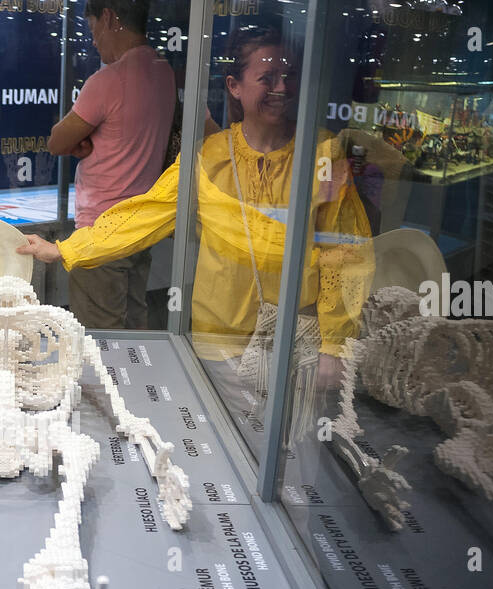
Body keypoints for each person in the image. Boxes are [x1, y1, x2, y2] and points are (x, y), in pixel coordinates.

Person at [20, 24, 374, 403]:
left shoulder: (322, 153)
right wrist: (66, 250)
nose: (281, 88)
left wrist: (335, 344)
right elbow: (144, 214)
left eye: (288, 76)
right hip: (219, 345)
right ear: (235, 86)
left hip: (295, 343)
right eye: (267, 77)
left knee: (288, 448)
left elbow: (345, 252)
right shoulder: (210, 157)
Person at [46, 0, 176, 330]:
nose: (92, 41)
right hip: (138, 226)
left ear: (108, 18)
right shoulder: (164, 72)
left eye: (92, 30)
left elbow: (56, 142)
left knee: (99, 338)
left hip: (100, 233)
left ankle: (107, 385)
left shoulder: (108, 81)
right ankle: (142, 383)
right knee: (135, 327)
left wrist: (80, 141)